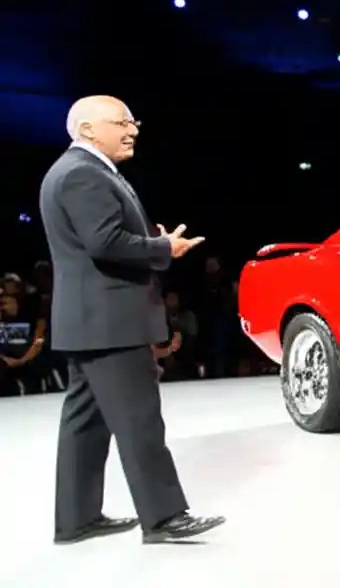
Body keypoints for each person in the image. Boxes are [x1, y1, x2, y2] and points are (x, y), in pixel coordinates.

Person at [38, 95, 225, 545]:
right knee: (139, 420)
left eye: (132, 120)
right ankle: (163, 518)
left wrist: (148, 243)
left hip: (89, 319)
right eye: (120, 121)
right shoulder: (84, 173)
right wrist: (163, 250)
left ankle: (77, 520)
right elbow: (104, 242)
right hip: (110, 319)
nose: (132, 129)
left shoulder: (74, 170)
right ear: (86, 130)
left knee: (86, 422)